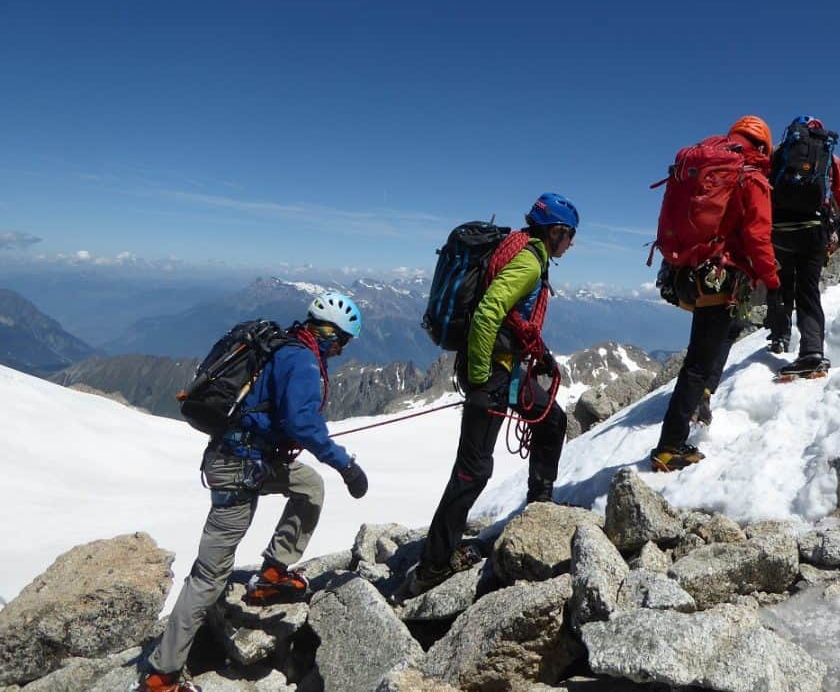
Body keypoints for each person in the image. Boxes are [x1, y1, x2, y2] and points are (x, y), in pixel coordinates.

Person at [134, 293, 369, 692]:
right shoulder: (303, 361)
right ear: (330, 334)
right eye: (343, 341)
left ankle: (273, 574)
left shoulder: (288, 346)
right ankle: (162, 676)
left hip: (250, 460)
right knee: (210, 575)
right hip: (239, 467)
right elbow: (303, 424)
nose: (342, 350)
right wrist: (345, 465)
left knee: (308, 486)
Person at [409, 193, 578, 596]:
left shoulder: (520, 246)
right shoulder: (528, 260)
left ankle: (539, 504)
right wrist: (483, 379)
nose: (571, 244)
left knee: (552, 420)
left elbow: (512, 319)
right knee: (473, 470)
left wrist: (539, 356)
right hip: (492, 375)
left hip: (505, 371)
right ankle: (433, 566)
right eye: (569, 235)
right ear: (555, 231)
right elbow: (488, 312)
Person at [652, 117, 780, 471]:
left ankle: (674, 439)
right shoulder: (750, 176)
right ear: (765, 147)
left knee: (700, 357)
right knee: (697, 365)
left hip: (688, 272)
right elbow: (758, 237)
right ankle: (669, 446)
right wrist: (773, 284)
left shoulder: (704, 164)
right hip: (721, 276)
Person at [766, 115, 840, 377]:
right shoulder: (830, 160)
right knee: (808, 290)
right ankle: (811, 352)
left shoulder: (778, 155)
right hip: (813, 232)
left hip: (779, 233)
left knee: (779, 281)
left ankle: (778, 336)